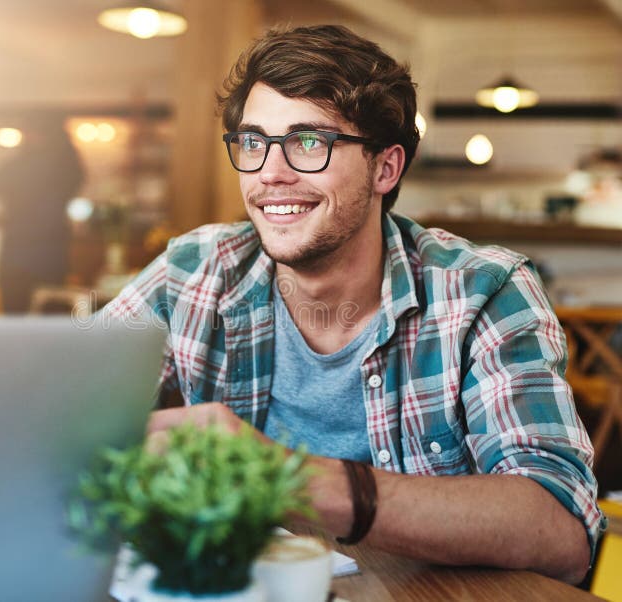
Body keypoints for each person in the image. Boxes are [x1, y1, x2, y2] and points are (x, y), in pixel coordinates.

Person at [102, 25, 604, 583]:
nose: (270, 173)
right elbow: (57, 420)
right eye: (253, 143)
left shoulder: (481, 291)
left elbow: (562, 533)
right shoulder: (193, 270)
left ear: (385, 168)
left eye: (309, 142)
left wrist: (282, 475)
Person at [0, 115, 84, 313]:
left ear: (35, 133)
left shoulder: (22, 164)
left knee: (15, 316)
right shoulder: (69, 164)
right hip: (53, 253)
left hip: (19, 251)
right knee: (50, 312)